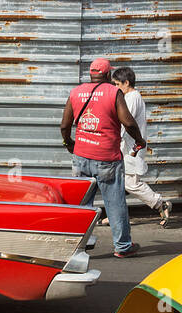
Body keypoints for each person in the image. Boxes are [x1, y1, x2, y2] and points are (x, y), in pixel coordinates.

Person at [60, 57, 147, 258]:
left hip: (81, 157)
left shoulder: (76, 92)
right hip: (107, 158)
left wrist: (69, 143)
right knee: (115, 203)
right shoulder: (113, 92)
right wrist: (139, 140)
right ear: (108, 75)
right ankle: (123, 247)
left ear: (91, 73)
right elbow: (129, 123)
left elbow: (64, 125)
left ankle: (75, 247)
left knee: (81, 206)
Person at [111, 66, 173, 228]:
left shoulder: (132, 98)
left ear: (126, 83)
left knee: (130, 183)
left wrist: (111, 140)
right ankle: (117, 217)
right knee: (117, 182)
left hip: (132, 149)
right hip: (128, 148)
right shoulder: (131, 97)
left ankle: (161, 204)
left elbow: (125, 124)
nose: (115, 88)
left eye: (117, 84)